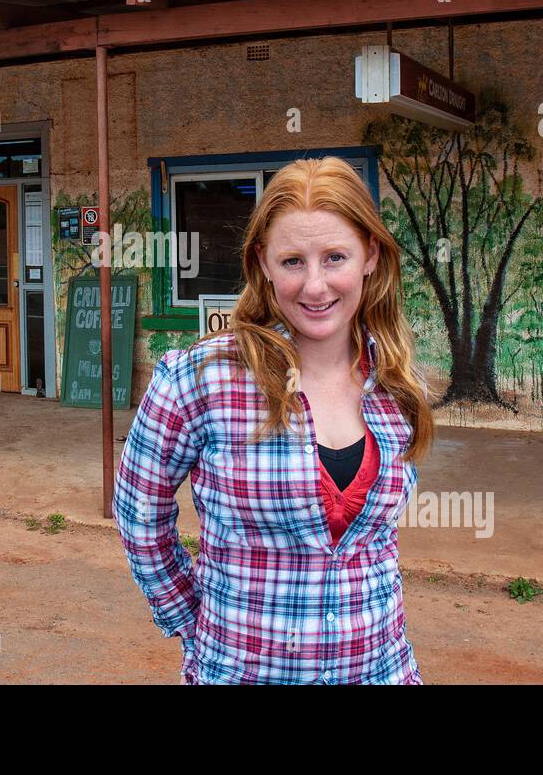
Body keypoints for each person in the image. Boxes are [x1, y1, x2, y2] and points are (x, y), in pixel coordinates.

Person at [113, 155, 433, 684]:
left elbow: (378, 547)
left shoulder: (398, 387)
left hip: (382, 671)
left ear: (370, 255)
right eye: (292, 261)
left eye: (335, 257)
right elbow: (139, 515)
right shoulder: (198, 380)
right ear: (262, 262)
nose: (315, 286)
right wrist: (197, 622)